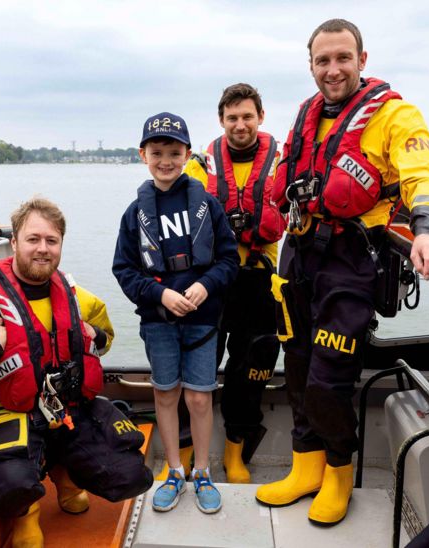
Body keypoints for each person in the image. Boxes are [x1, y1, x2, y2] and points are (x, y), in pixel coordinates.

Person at [256, 19, 429, 526]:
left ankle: (339, 472)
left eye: (343, 58)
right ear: (312, 66)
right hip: (298, 255)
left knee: (329, 378)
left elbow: (423, 177)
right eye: (323, 61)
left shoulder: (394, 116)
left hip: (351, 261)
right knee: (297, 368)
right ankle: (305, 467)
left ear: (362, 61)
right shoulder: (306, 116)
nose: (333, 69)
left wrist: (428, 229)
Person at [0, 197, 152, 548]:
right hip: (14, 413)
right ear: (14, 243)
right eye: (33, 239)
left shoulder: (76, 297)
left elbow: (106, 337)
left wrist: (93, 334)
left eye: (51, 241)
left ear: (61, 246)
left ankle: (66, 479)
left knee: (129, 475)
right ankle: (28, 515)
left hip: (69, 411)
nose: (42, 249)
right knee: (11, 485)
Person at [112, 112, 239, 514]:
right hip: (159, 322)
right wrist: (160, 295)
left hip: (203, 321)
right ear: (143, 155)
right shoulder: (134, 215)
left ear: (187, 154)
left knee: (200, 400)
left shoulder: (209, 206)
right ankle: (174, 470)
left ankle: (202, 471)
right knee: (165, 395)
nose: (165, 160)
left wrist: (204, 285)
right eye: (157, 152)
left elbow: (229, 260)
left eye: (173, 152)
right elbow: (124, 270)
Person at [176, 83, 285, 483]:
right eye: (232, 118)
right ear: (221, 121)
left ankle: (235, 454)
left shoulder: (282, 161)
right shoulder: (200, 165)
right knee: (196, 368)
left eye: (247, 116)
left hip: (259, 280)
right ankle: (186, 452)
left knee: (250, 370)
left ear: (261, 117)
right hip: (211, 282)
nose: (240, 124)